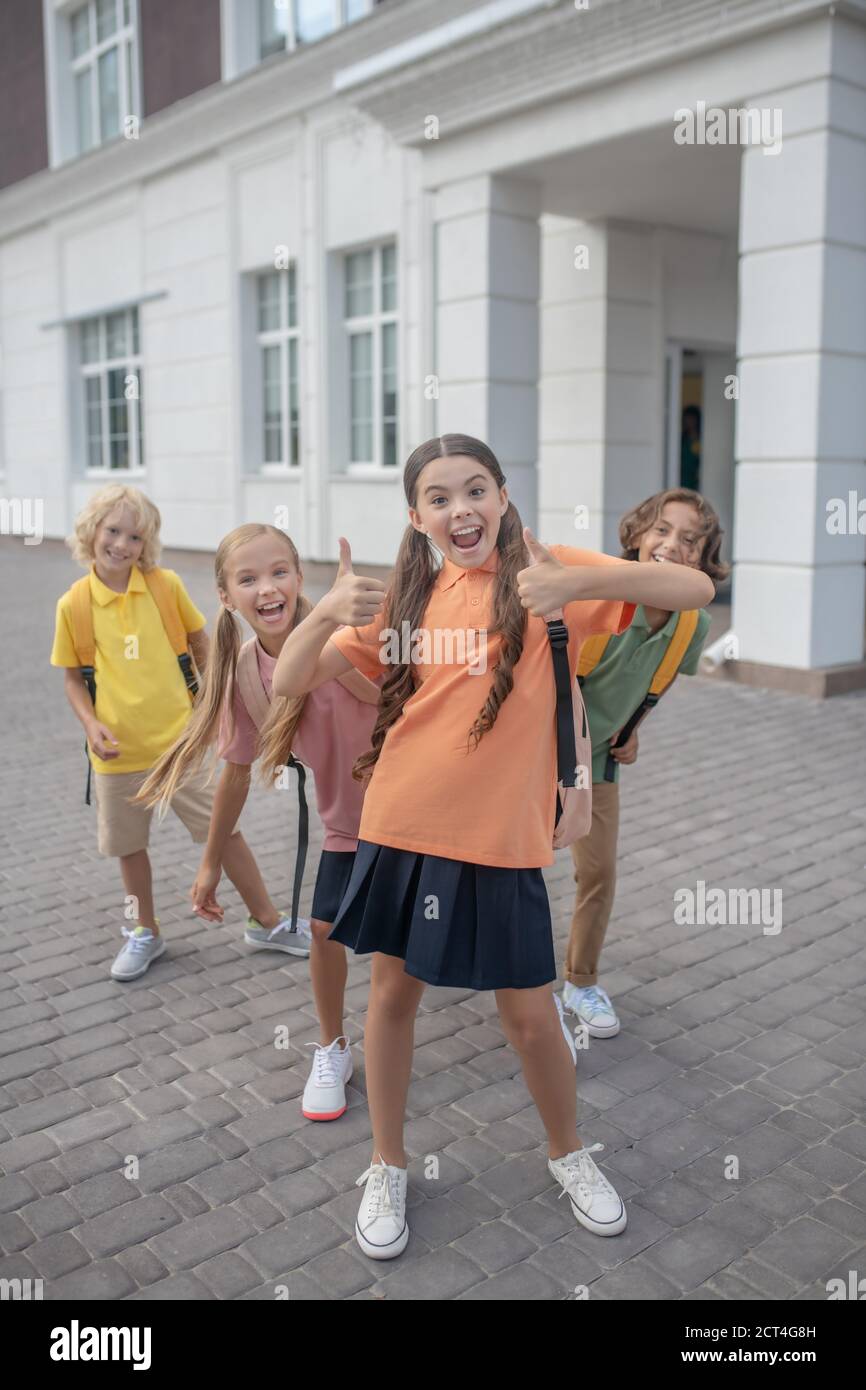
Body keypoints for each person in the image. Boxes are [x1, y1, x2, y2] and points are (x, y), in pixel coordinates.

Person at [272, 433, 714, 1259]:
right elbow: (291, 678)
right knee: (392, 1000)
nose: (460, 508)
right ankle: (388, 1164)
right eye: (439, 497)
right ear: (417, 517)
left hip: (505, 840)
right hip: (400, 827)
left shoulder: (551, 575)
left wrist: (578, 580)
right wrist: (329, 611)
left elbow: (691, 587)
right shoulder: (405, 602)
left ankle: (568, 1151)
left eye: (475, 489)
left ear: (503, 497)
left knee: (532, 1017)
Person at [137, 523, 380, 1121]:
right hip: (347, 824)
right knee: (325, 932)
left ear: (300, 577)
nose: (267, 588)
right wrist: (209, 863)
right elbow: (237, 773)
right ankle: (332, 1048)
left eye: (279, 572)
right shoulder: (246, 674)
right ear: (225, 595)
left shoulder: (353, 630)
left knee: (426, 940)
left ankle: (535, 1006)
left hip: (422, 812)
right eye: (248, 579)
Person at [50, 486, 264, 981]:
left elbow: (200, 641)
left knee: (224, 831)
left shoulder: (164, 586)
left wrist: (217, 699)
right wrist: (91, 724)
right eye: (113, 531)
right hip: (118, 755)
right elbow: (71, 679)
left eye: (135, 536)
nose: (123, 544)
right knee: (129, 849)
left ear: (146, 544)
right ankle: (144, 931)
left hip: (181, 743)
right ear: (92, 532)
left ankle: (267, 922)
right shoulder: (74, 605)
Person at [562, 488, 729, 1040]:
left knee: (599, 872)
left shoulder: (692, 625)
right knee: (510, 864)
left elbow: (652, 687)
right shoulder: (598, 598)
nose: (672, 545)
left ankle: (579, 981)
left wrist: (632, 733)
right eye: (661, 530)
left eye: (689, 540)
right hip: (539, 752)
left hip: (600, 764)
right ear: (635, 535)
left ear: (704, 560)